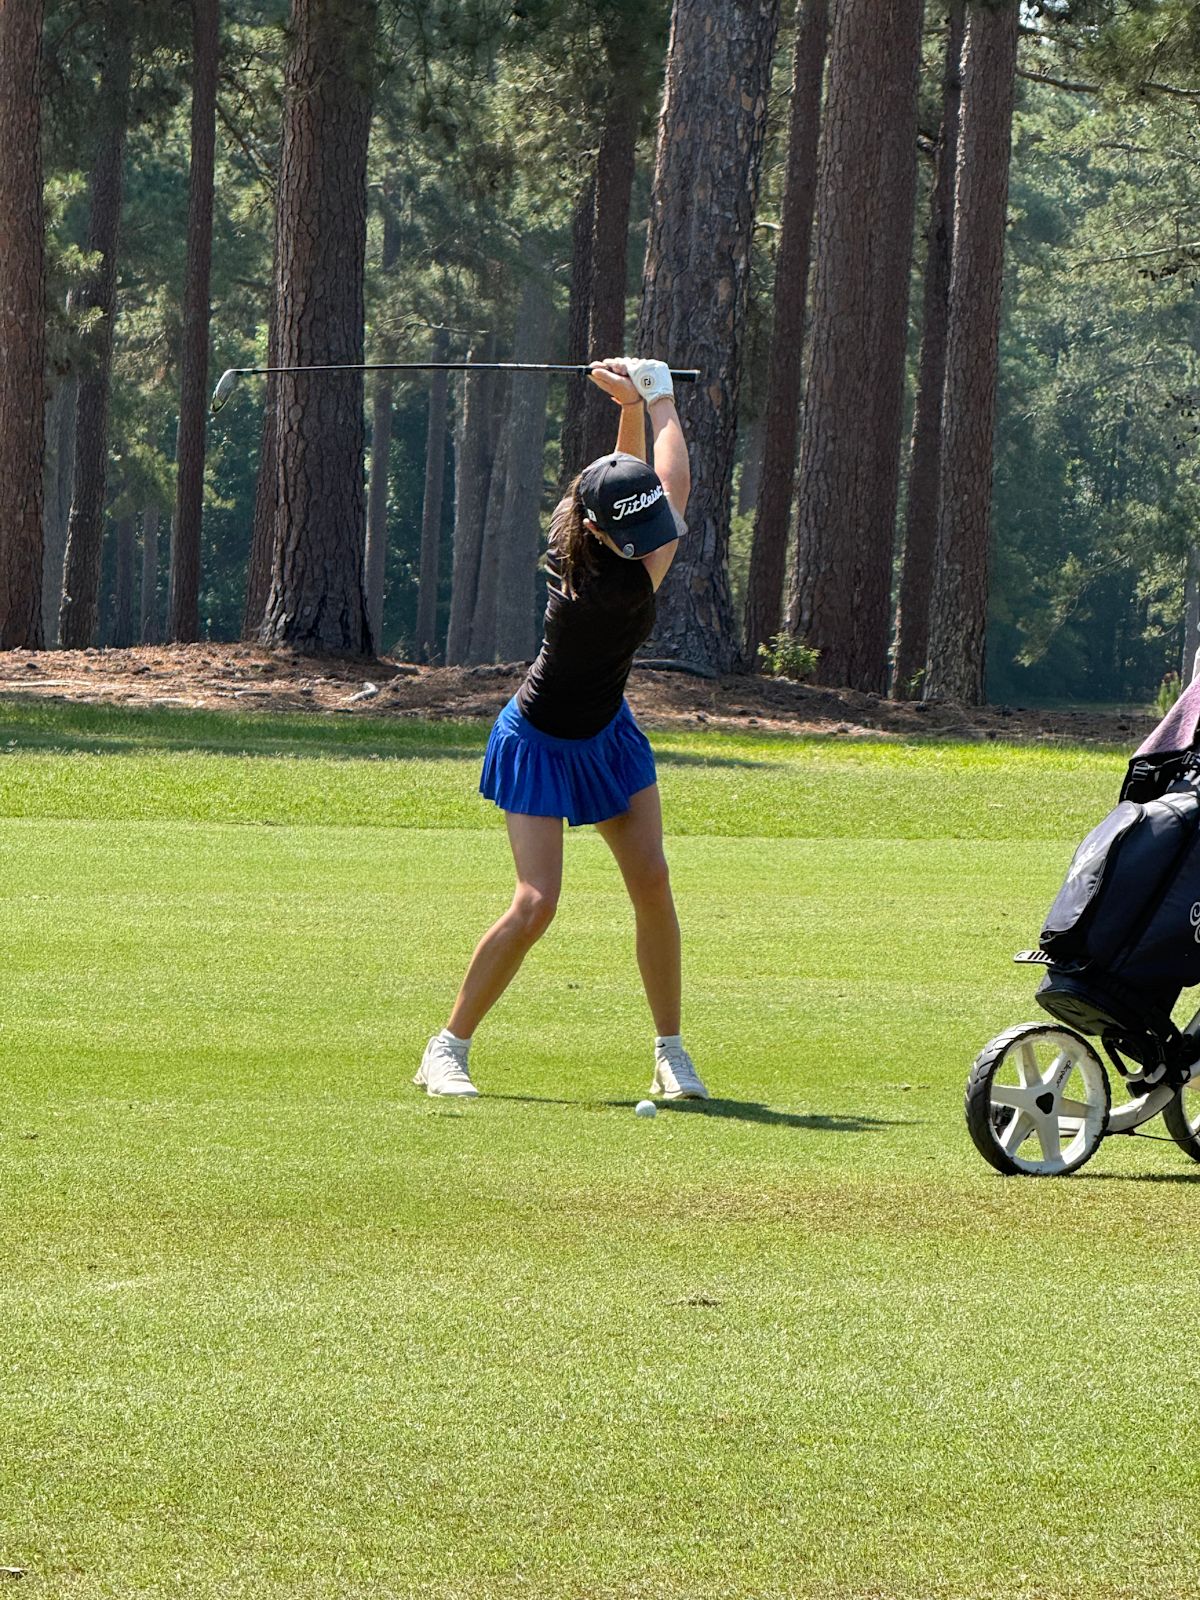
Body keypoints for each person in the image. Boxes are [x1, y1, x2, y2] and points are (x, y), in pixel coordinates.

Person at [415, 356, 709, 1102]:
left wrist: (631, 408)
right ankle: (446, 1048)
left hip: (608, 734)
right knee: (535, 903)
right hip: (540, 743)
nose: (651, 532)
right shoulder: (600, 586)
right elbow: (671, 486)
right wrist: (660, 393)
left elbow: (633, 481)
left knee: (654, 881)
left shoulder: (600, 534)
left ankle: (670, 1052)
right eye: (635, 526)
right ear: (600, 533)